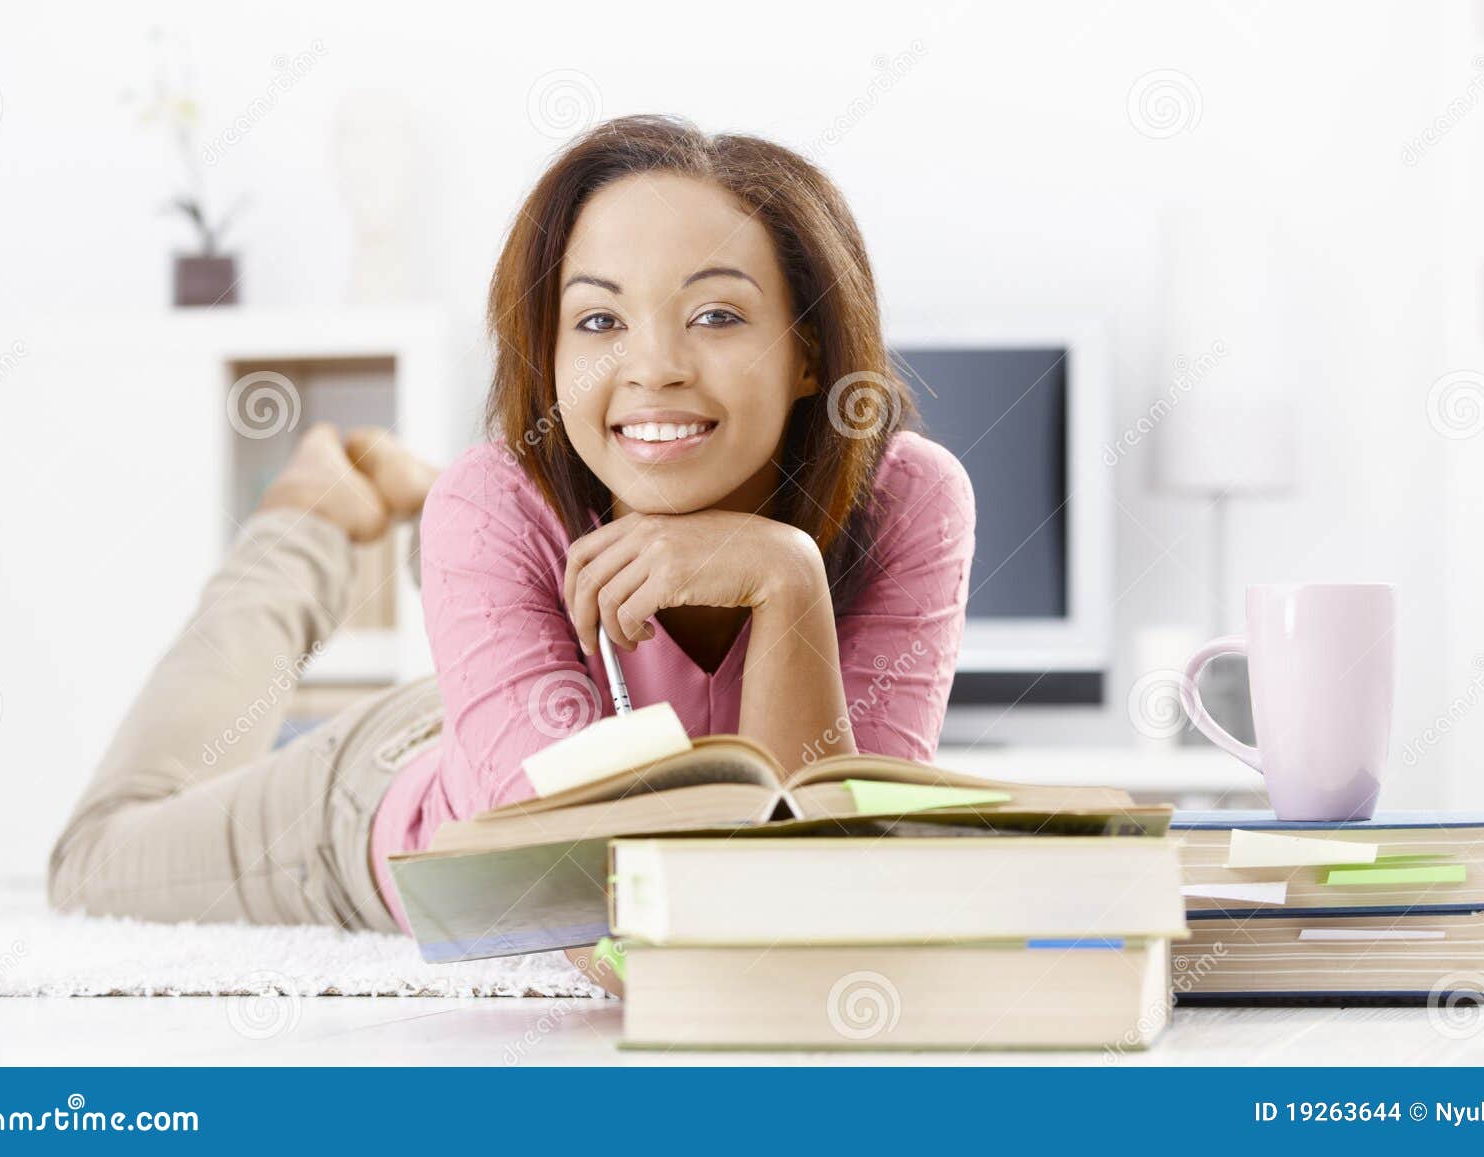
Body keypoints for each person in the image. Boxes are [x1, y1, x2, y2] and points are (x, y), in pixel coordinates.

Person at [47, 115, 976, 993]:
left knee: (479, 512)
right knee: (93, 855)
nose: (653, 368)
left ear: (810, 350)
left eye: (716, 316)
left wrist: (788, 584)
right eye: (600, 322)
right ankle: (311, 517)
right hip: (385, 798)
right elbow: (598, 917)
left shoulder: (908, 500)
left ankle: (424, 504)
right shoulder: (493, 502)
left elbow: (840, 892)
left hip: (516, 696)